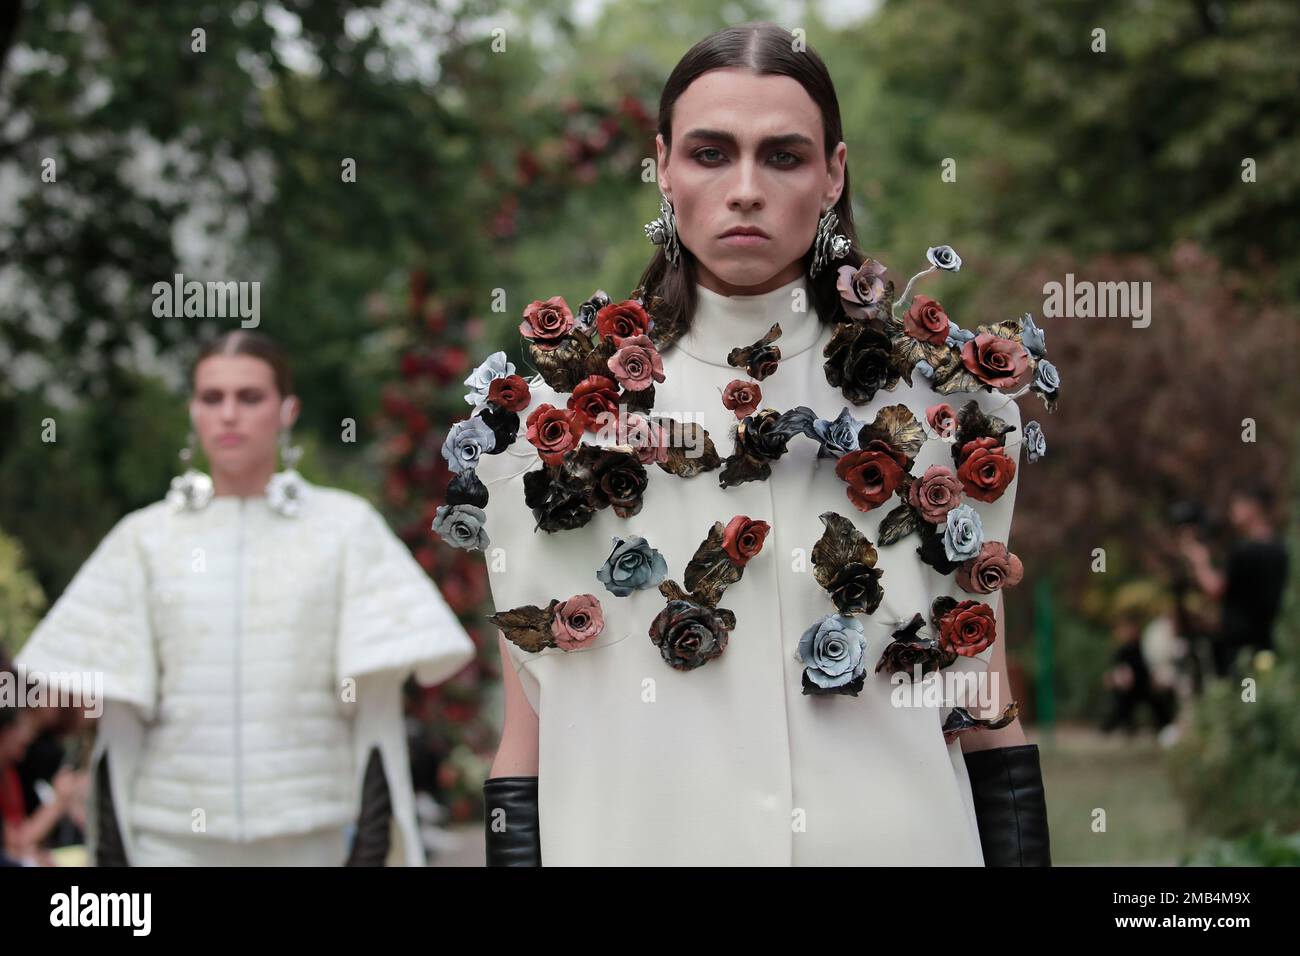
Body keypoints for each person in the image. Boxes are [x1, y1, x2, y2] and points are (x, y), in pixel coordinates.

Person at [458, 23, 1053, 866]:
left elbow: (981, 696)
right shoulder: (546, 430)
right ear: (662, 166)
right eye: (710, 153)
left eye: (782, 155)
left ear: (833, 172)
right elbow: (531, 729)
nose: (745, 188)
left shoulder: (955, 410)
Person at [15, 330, 476, 865]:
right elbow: (116, 719)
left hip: (313, 841)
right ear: (193, 410)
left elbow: (375, 711)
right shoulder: (142, 539)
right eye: (213, 398)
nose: (229, 414)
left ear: (287, 409)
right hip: (166, 844)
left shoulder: (346, 529)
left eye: (250, 397)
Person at [1178, 480, 1290, 677]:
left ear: (1253, 507)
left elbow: (1215, 589)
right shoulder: (1280, 547)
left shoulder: (1243, 551)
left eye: (1236, 504)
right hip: (1267, 640)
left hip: (1241, 648)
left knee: (1245, 697)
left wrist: (1199, 561)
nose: (1232, 511)